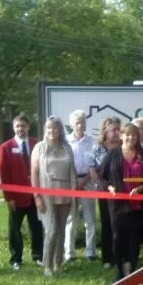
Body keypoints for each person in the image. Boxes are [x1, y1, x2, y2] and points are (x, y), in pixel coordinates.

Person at [99, 122, 143, 281]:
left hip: (138, 204)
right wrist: (109, 187)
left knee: (134, 237)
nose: (131, 137)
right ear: (122, 136)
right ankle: (119, 269)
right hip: (117, 204)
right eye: (128, 134)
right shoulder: (112, 154)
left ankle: (132, 267)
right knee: (117, 236)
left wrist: (141, 189)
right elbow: (101, 176)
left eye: (134, 135)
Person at [31, 116, 77, 277]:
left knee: (62, 230)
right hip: (46, 196)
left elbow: (73, 171)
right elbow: (34, 174)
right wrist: (37, 197)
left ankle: (58, 264)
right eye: (49, 128)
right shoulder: (39, 148)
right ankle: (47, 266)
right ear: (45, 130)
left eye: (55, 128)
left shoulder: (67, 147)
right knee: (51, 230)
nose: (52, 131)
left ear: (60, 131)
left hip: (65, 195)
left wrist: (74, 194)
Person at [0, 113, 43, 270]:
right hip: (16, 198)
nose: (20, 129)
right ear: (13, 128)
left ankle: (38, 256)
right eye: (17, 126)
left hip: (35, 196)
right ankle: (15, 259)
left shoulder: (37, 144)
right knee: (14, 229)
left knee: (36, 227)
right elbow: (4, 175)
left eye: (23, 126)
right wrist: (8, 197)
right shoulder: (6, 147)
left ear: (28, 127)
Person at [89, 117, 121, 270]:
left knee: (120, 225)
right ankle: (108, 258)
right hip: (104, 193)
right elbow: (93, 171)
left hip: (121, 193)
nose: (116, 133)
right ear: (105, 131)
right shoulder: (98, 148)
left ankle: (121, 255)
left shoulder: (124, 146)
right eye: (112, 130)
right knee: (107, 224)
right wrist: (104, 186)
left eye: (117, 129)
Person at [65, 110, 96, 261]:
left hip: (88, 182)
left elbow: (97, 164)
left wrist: (85, 180)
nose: (80, 125)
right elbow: (64, 164)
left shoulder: (92, 141)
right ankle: (69, 253)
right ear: (71, 124)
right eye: (77, 122)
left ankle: (90, 252)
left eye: (82, 122)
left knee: (90, 219)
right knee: (71, 220)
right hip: (71, 183)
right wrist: (74, 181)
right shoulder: (65, 141)